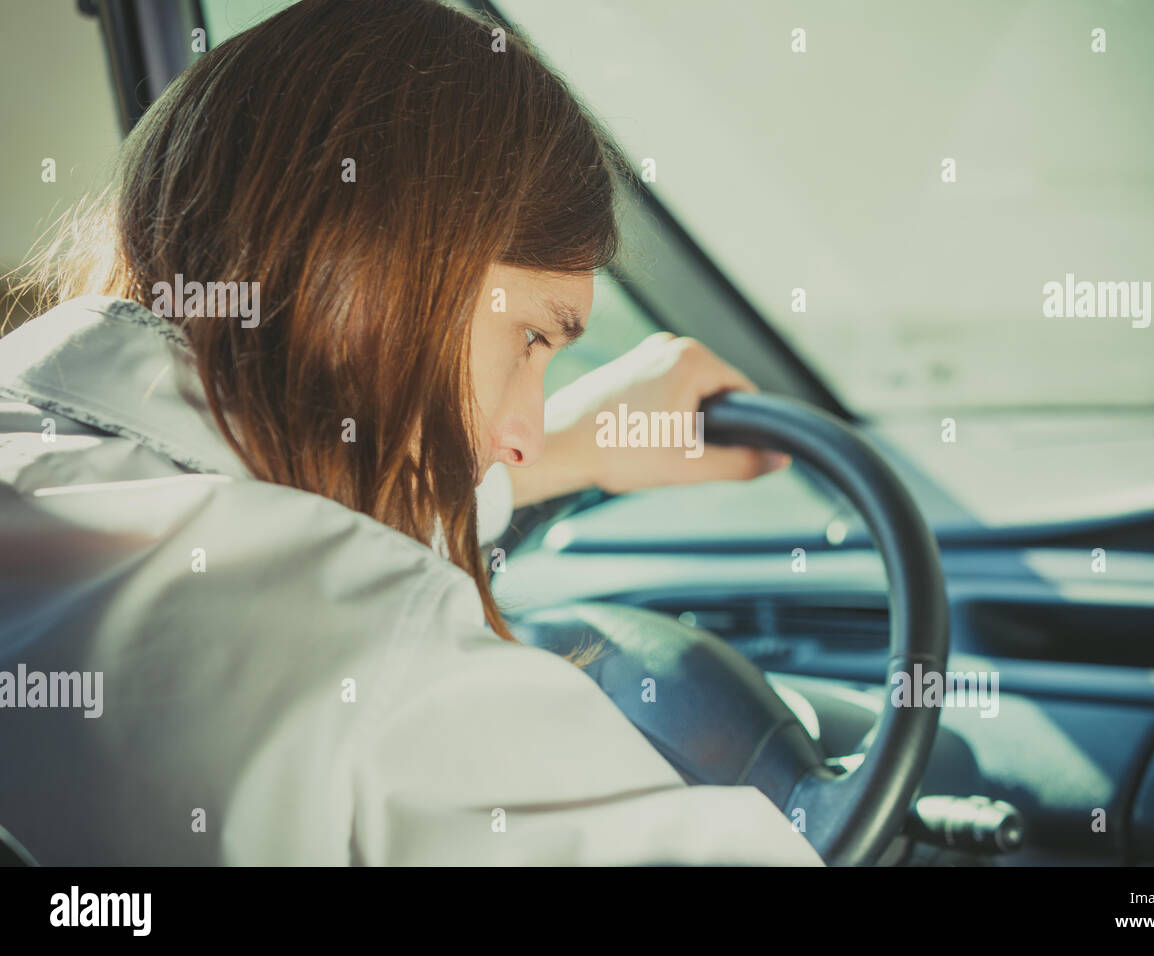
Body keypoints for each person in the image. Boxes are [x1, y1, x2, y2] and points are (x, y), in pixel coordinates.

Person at [0, 0, 821, 866]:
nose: (527, 435)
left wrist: (586, 447)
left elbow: (270, 501)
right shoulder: (389, 677)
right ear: (372, 274)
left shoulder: (38, 465)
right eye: (533, 338)